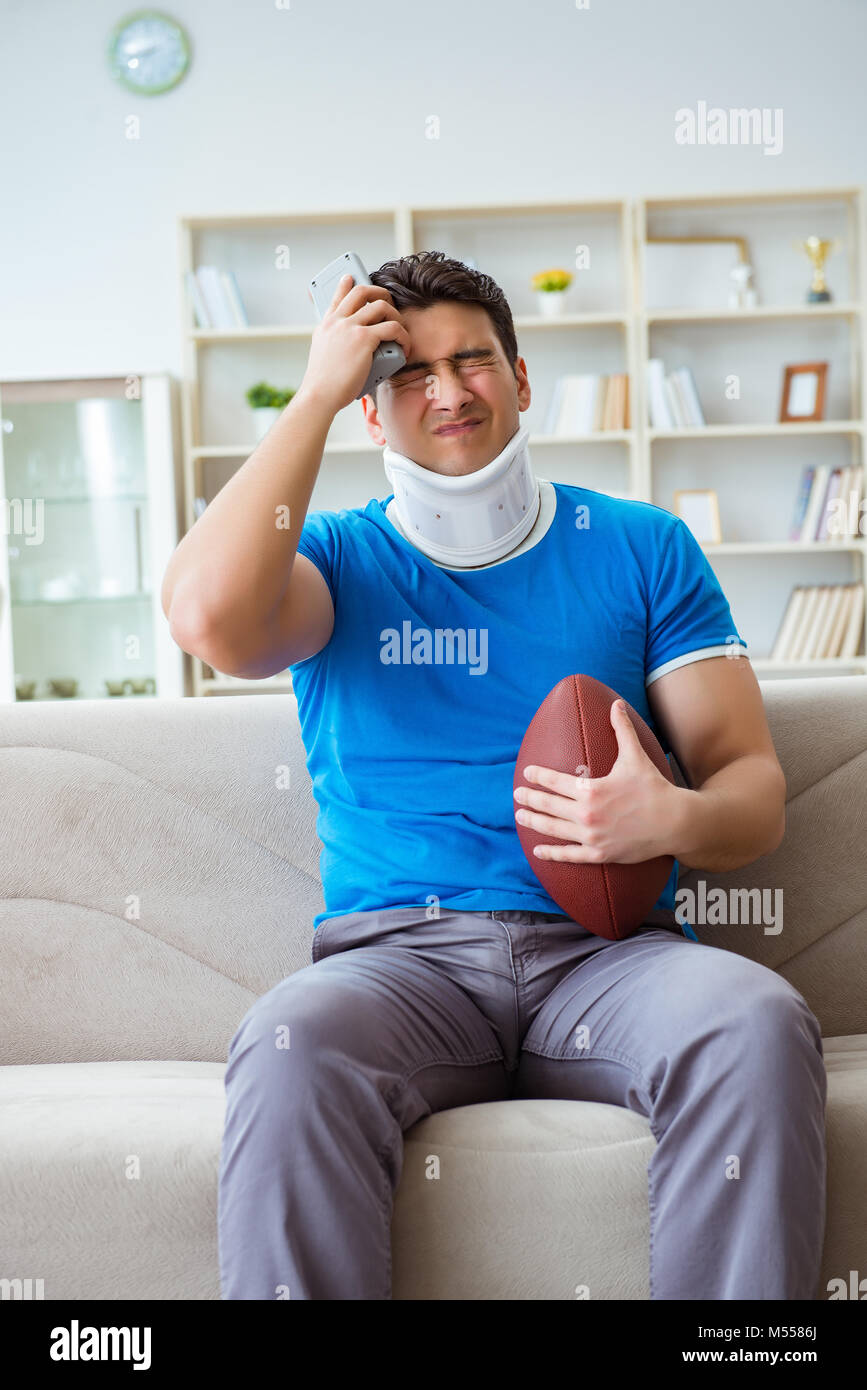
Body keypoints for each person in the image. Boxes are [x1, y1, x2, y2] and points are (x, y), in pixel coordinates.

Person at [161, 251, 827, 1301]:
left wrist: (673, 814)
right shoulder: (333, 563)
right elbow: (206, 619)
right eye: (407, 375)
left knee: (755, 1019)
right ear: (372, 417)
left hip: (608, 961)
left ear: (521, 376)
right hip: (399, 968)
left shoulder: (642, 546)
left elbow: (752, 789)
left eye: (472, 360)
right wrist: (317, 391)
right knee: (288, 1046)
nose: (448, 390)